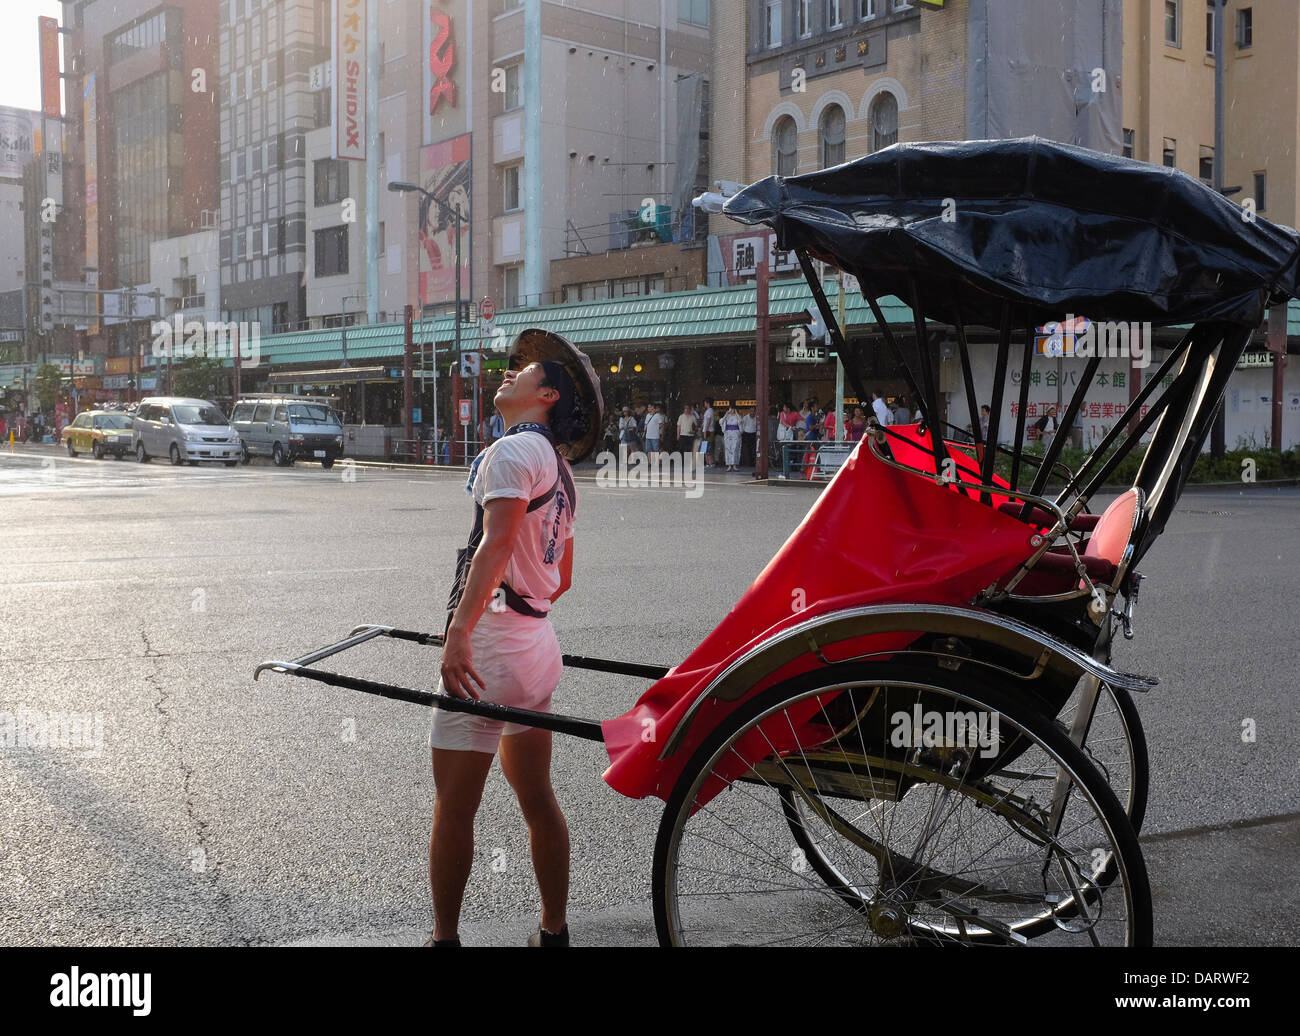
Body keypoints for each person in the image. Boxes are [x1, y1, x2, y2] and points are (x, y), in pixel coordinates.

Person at [429, 331, 602, 950]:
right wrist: (521, 606)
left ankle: (444, 940)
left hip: (493, 649)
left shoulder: (510, 452)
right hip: (535, 645)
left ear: (546, 395)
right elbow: (564, 576)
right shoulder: (561, 470)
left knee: (454, 806)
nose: (509, 374)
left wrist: (460, 631)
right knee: (537, 796)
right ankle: (553, 931)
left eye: (523, 372)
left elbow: (495, 545)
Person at [720, 406, 743, 471]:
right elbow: (721, 422)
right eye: (731, 409)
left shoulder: (737, 416)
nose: (732, 410)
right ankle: (729, 465)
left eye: (733, 409)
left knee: (735, 449)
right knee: (728, 449)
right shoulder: (727, 416)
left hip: (735, 433)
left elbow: (741, 421)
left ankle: (735, 465)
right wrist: (726, 414)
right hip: (728, 433)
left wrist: (736, 413)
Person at [699, 399, 716, 467]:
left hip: (708, 431)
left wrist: (705, 431)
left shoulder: (709, 411)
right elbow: (705, 421)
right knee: (705, 448)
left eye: (705, 403)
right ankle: (707, 463)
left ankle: (711, 462)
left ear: (708, 403)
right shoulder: (708, 411)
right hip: (706, 431)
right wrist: (702, 428)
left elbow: (708, 422)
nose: (704, 404)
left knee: (708, 447)